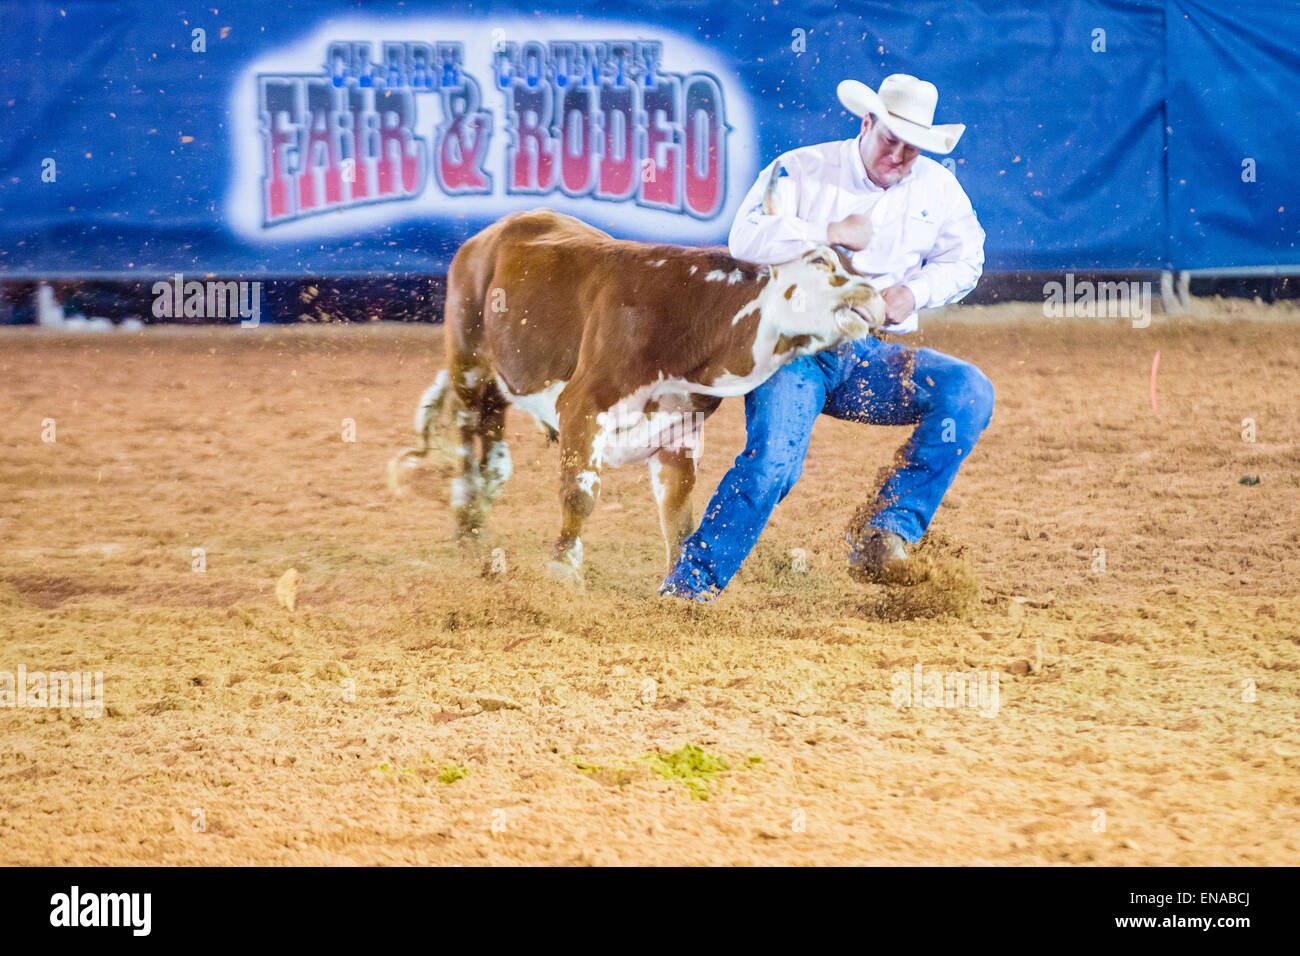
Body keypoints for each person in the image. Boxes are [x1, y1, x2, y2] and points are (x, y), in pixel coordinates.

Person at [660, 73, 994, 602]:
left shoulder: (938, 189)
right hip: (793, 349)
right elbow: (745, 238)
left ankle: (887, 533)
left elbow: (967, 257)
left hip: (867, 357)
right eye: (892, 142)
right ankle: (689, 586)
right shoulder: (800, 168)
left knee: (968, 391)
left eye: (915, 149)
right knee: (773, 464)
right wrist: (826, 232)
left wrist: (915, 291)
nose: (901, 158)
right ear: (867, 123)